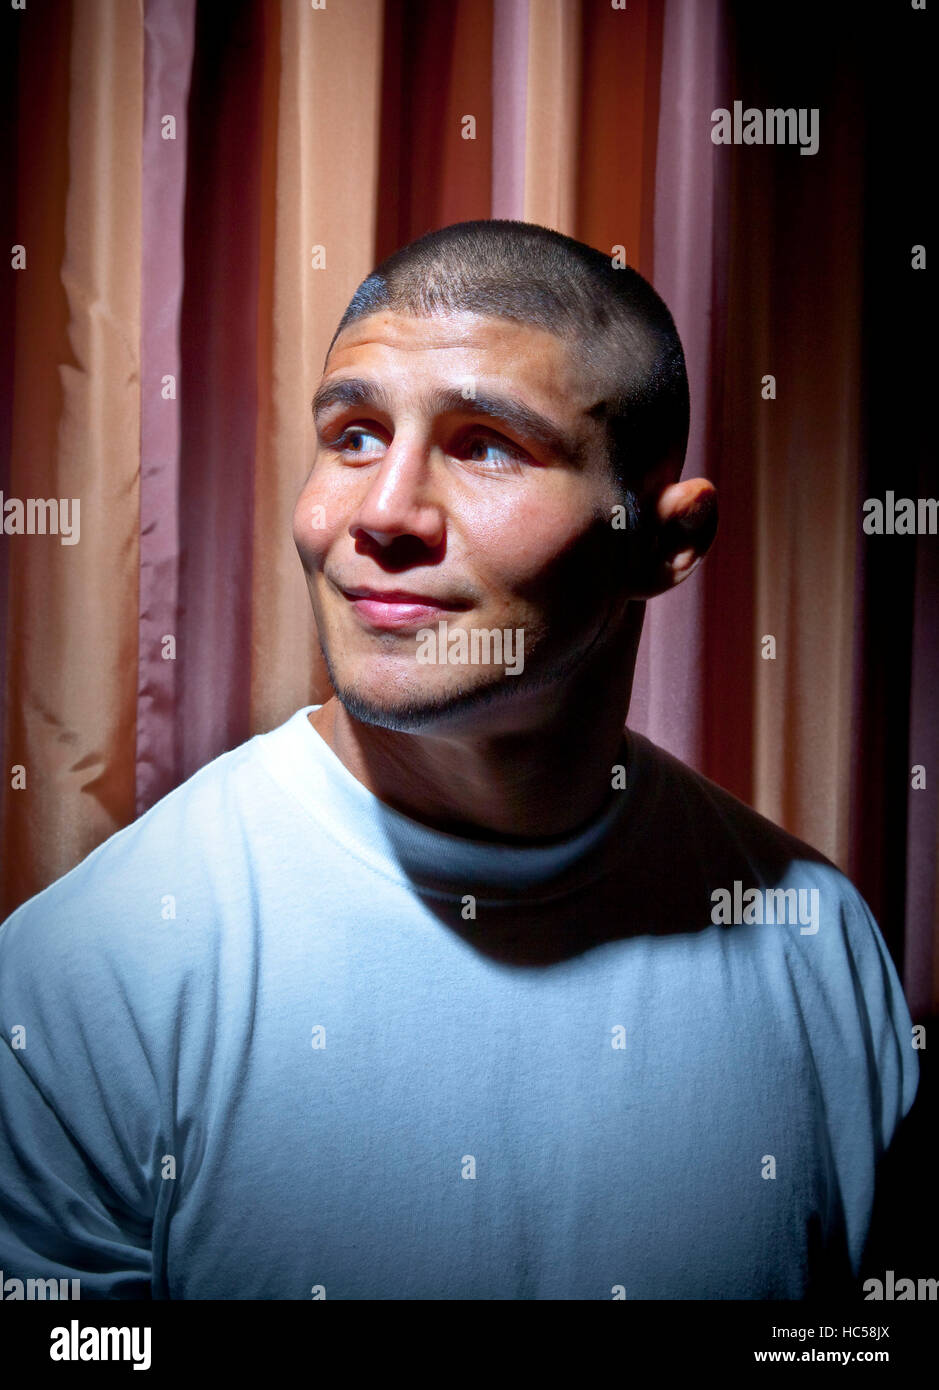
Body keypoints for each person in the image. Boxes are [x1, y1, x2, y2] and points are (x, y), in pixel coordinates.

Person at [0, 220, 917, 1300]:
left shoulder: (818, 943)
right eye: (352, 434)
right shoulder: (85, 971)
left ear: (665, 544)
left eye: (487, 444)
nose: (381, 513)